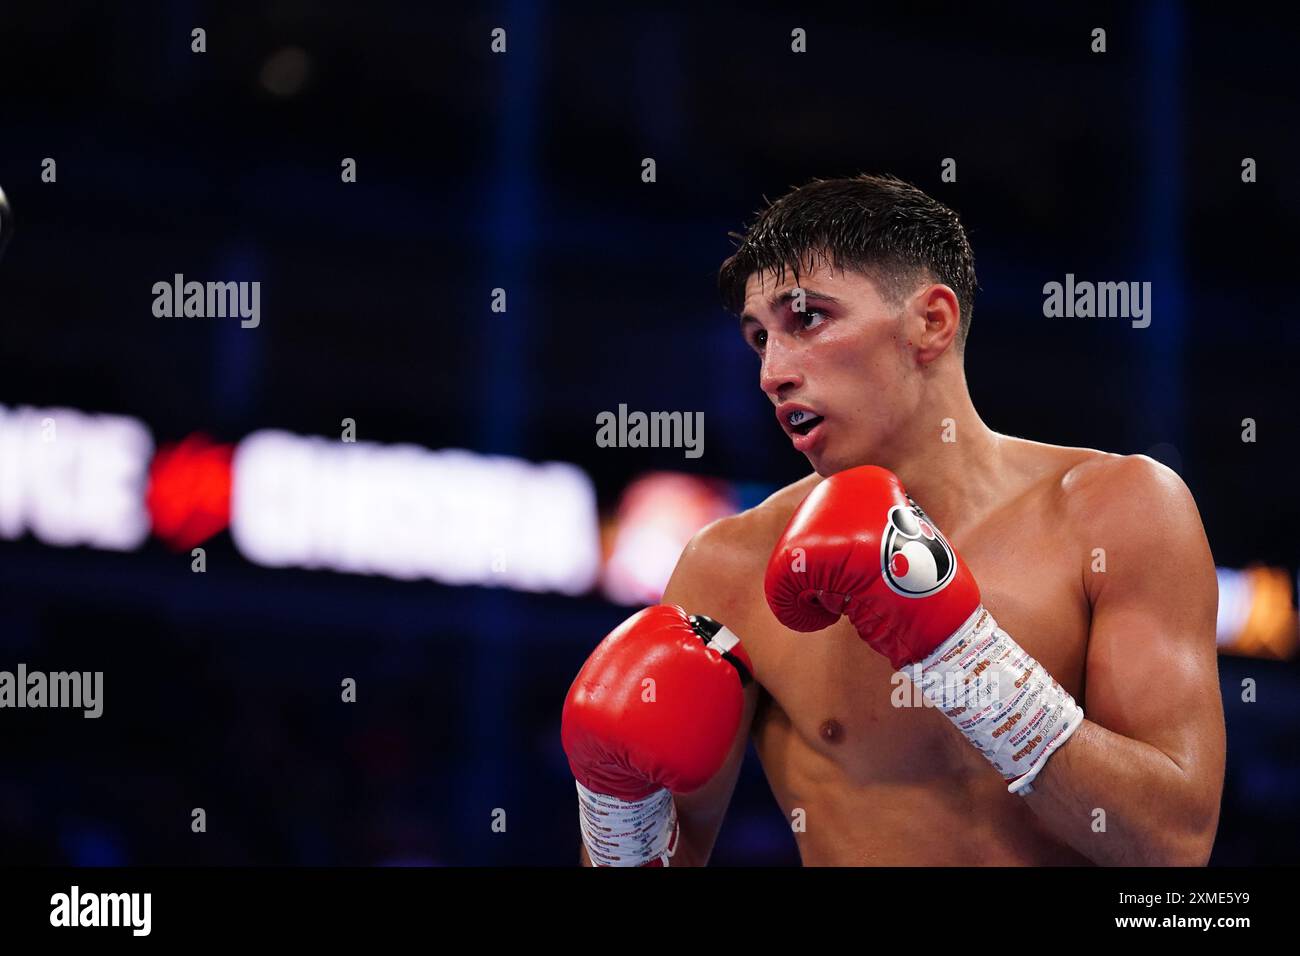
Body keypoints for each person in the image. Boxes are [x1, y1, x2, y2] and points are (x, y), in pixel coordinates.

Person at [563, 173, 1225, 866]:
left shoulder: (1116, 512)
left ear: (931, 322)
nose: (772, 372)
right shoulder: (728, 565)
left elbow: (1174, 846)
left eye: (807, 319)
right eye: (760, 338)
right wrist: (617, 811)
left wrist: (958, 654)